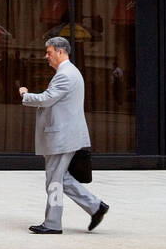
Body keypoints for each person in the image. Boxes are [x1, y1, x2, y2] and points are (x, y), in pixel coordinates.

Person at [18, 35, 109, 235]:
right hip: (63, 135)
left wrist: (25, 95)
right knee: (60, 179)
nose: (46, 56)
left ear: (60, 52)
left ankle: (52, 223)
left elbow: (47, 99)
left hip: (61, 137)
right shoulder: (67, 72)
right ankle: (95, 206)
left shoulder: (65, 74)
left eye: (49, 52)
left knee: (54, 181)